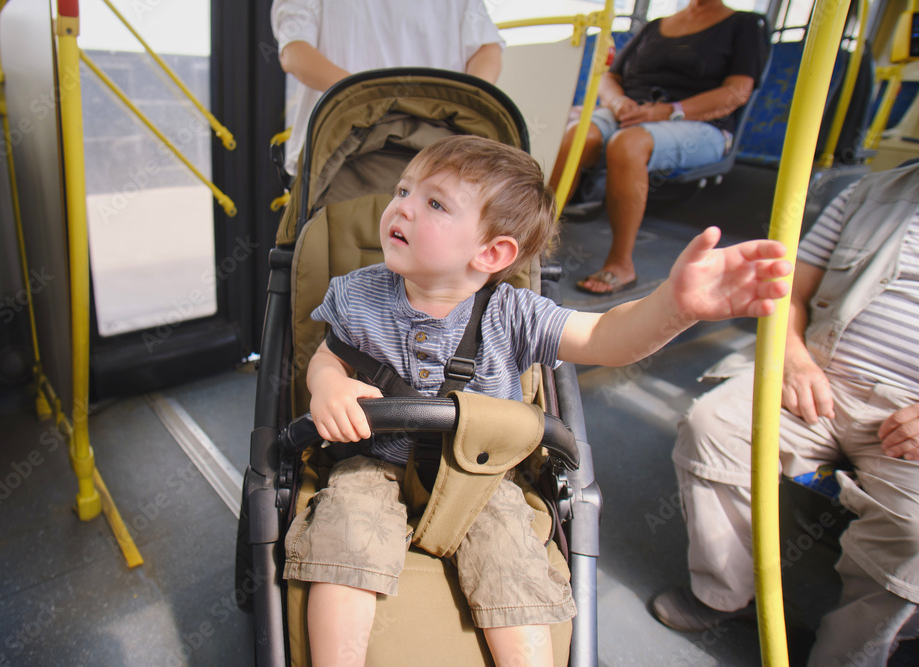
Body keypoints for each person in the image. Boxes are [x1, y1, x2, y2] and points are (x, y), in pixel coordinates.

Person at [285, 134, 791, 666]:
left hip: (481, 478)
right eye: (403, 189)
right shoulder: (358, 293)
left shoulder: (514, 314)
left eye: (434, 203)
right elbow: (329, 356)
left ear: (492, 252)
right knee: (342, 536)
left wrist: (674, 306)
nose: (402, 207)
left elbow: (605, 337)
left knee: (513, 556)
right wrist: (329, 386)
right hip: (374, 462)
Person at [651, 163, 919, 665]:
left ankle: (844, 656)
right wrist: (794, 359)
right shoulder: (869, 193)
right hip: (820, 370)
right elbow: (792, 292)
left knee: (914, 533)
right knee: (715, 426)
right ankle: (724, 592)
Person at [549, 0, 767, 295]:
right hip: (629, 112)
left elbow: (736, 92)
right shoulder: (654, 27)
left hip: (699, 123)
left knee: (628, 144)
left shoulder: (746, 25)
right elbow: (611, 77)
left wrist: (667, 111)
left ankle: (621, 263)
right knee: (576, 135)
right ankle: (538, 239)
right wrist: (617, 102)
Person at [270, 0, 504, 176]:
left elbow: (486, 49)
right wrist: (371, 97)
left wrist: (462, 105)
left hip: (438, 150)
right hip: (338, 156)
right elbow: (295, 54)